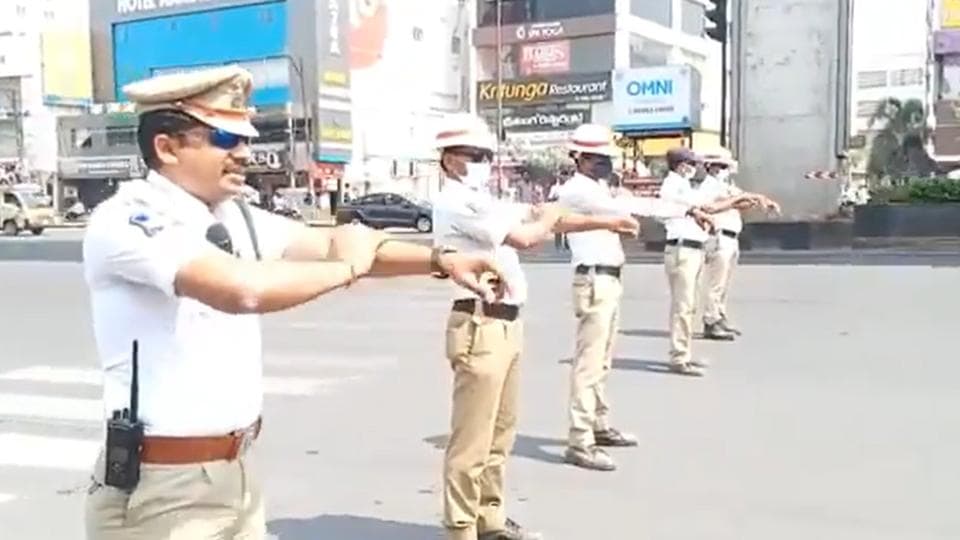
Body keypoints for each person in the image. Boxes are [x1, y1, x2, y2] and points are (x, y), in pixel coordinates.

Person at [82, 65, 505, 540]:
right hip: (163, 487)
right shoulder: (130, 219)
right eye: (224, 138)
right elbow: (241, 290)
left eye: (246, 137)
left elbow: (334, 242)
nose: (244, 153)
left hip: (235, 469)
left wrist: (441, 259)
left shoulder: (232, 213)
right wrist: (348, 270)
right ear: (167, 146)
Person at [432, 114, 639, 539]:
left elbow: (545, 219)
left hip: (505, 323)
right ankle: (460, 529)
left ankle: (489, 519)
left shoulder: (482, 198)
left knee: (500, 434)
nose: (484, 163)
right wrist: (553, 214)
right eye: (477, 156)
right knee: (472, 441)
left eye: (487, 155)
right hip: (478, 322)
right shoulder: (455, 201)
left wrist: (600, 221)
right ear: (451, 160)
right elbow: (529, 236)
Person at [555, 125, 714, 472]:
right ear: (579, 158)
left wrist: (686, 211)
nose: (604, 163)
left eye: (606, 158)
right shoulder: (579, 190)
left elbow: (631, 202)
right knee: (589, 361)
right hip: (594, 278)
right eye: (597, 158)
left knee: (603, 358)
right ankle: (579, 439)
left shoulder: (595, 186)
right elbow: (631, 205)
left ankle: (597, 423)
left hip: (607, 278)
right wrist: (685, 211)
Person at [658, 147, 760, 376]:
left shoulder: (683, 185)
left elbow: (709, 206)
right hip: (682, 248)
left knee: (689, 305)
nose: (695, 168)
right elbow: (707, 207)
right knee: (683, 307)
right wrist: (740, 198)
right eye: (691, 164)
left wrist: (740, 198)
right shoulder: (673, 186)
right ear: (681, 165)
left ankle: (683, 354)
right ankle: (679, 356)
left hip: (693, 249)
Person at [698, 148, 780, 339]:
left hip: (732, 236)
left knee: (724, 283)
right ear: (711, 167)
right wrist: (737, 200)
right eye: (720, 165)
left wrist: (760, 201)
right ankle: (710, 320)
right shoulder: (709, 186)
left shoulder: (726, 186)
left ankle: (719, 315)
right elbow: (711, 207)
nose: (724, 169)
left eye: (725, 166)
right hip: (719, 236)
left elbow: (744, 199)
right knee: (716, 282)